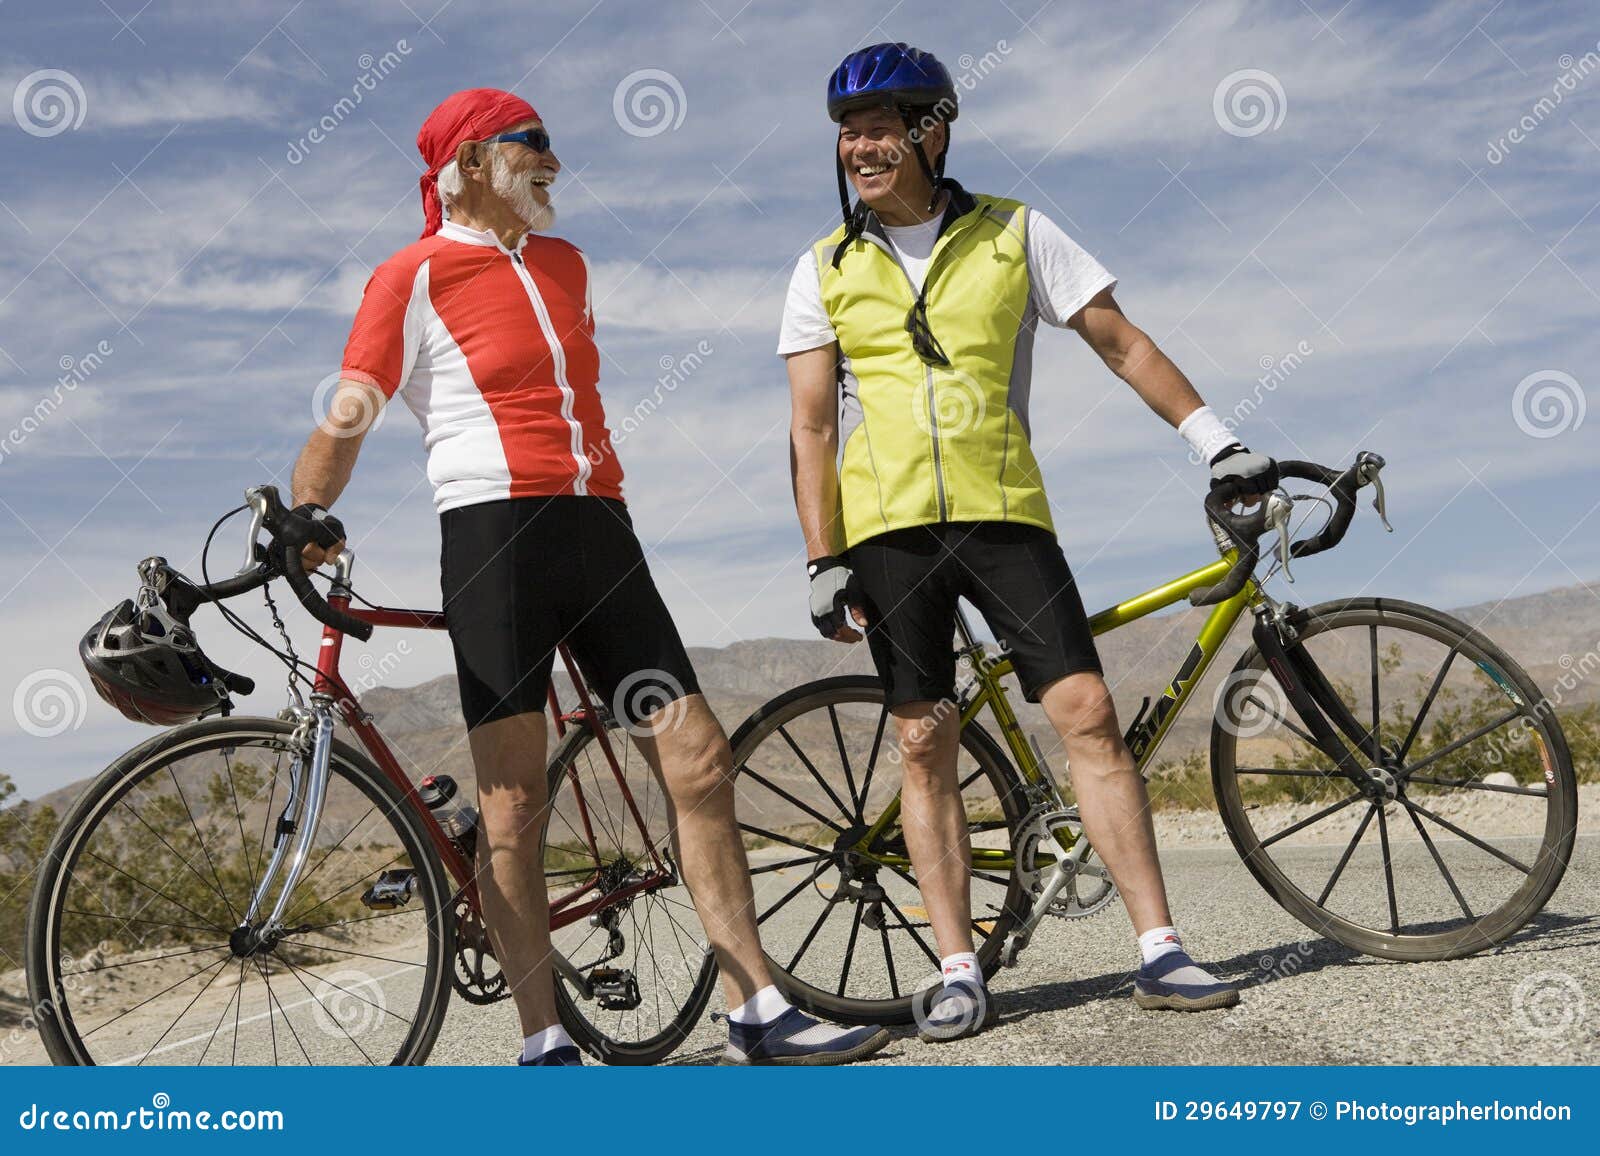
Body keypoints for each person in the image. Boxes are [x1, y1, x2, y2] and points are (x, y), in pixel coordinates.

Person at [290, 87, 889, 1067]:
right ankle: (543, 1039)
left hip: (598, 531)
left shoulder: (567, 265)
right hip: (494, 536)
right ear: (472, 164)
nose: (553, 161)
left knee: (696, 759)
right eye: (532, 144)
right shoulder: (411, 274)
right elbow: (351, 405)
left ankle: (757, 1008)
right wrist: (309, 510)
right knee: (514, 803)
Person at [780, 45, 1276, 1041]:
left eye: (880, 124)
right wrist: (822, 555)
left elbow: (1118, 339)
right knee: (924, 741)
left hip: (1004, 508)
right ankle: (959, 967)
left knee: (1086, 710)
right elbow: (811, 426)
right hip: (887, 530)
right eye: (846, 129)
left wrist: (1215, 440)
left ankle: (1158, 948)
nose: (858, 145)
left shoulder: (1017, 231)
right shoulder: (822, 267)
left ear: (932, 128)